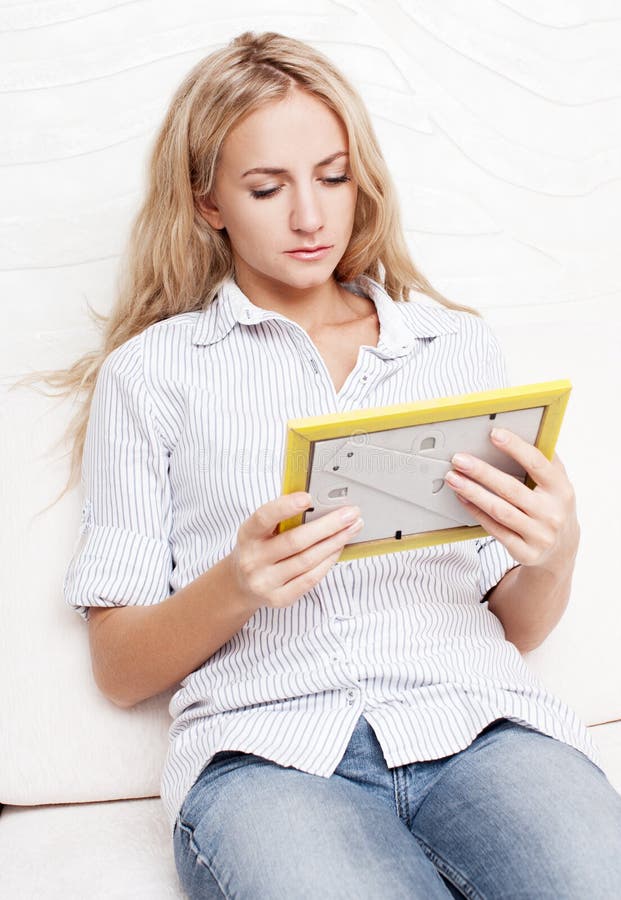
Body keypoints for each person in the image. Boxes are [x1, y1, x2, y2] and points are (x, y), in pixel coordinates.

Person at [51, 29, 620, 899]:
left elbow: (517, 624)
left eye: (332, 176)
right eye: (266, 187)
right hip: (272, 759)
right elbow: (119, 668)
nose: (310, 217)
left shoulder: (452, 345)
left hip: (480, 727)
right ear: (208, 203)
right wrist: (236, 584)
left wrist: (554, 551)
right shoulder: (153, 373)